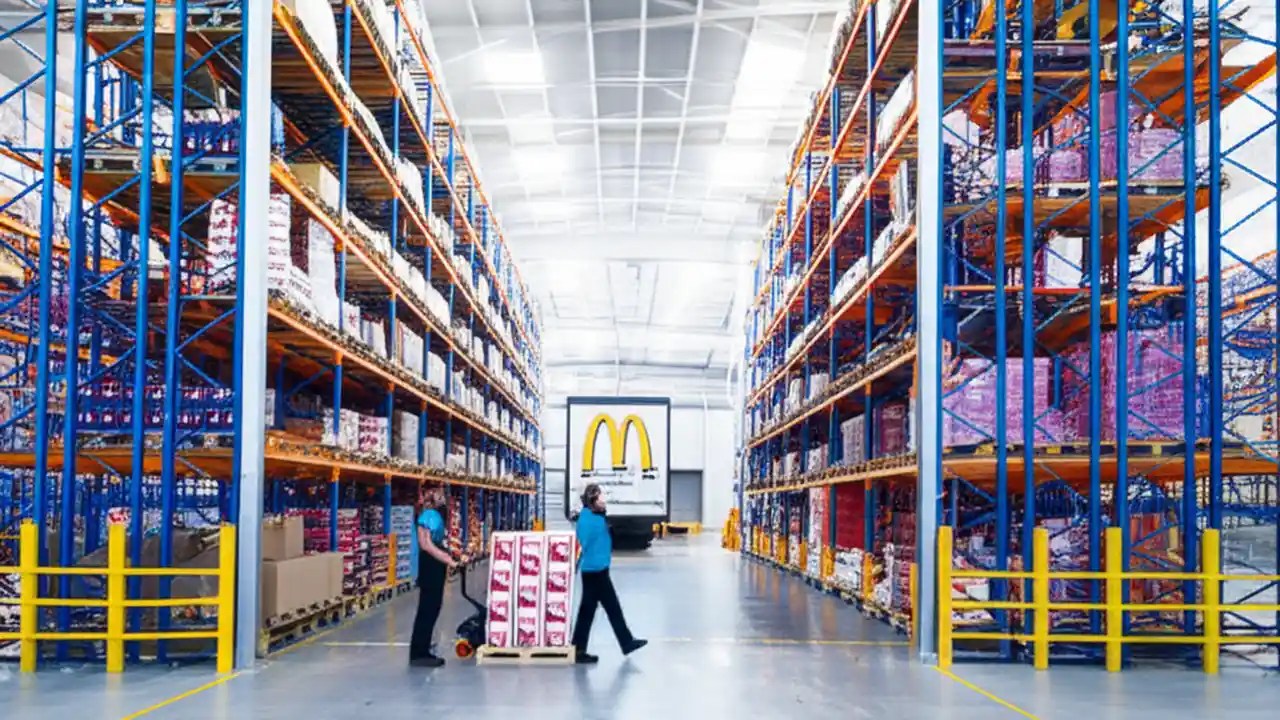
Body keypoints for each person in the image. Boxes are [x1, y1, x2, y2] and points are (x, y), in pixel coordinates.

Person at [572, 483, 647, 664]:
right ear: (592, 501)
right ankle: (624, 643)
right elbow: (586, 542)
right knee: (607, 609)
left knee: (591, 611)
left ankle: (580, 648)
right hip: (595, 571)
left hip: (597, 570)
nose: (604, 500)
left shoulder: (591, 517)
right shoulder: (591, 520)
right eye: (600, 497)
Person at [409, 484, 458, 668]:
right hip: (430, 564)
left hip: (434, 564)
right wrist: (447, 558)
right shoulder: (428, 516)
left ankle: (423, 649)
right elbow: (426, 544)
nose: (442, 497)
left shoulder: (434, 515)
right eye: (438, 493)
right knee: (428, 608)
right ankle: (419, 653)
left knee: (433, 606)